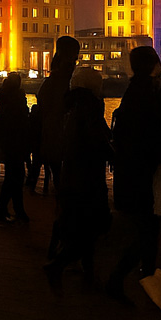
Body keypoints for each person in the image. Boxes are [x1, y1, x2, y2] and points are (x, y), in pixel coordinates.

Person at [44, 67, 112, 296]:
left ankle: (87, 272)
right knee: (90, 229)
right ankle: (58, 265)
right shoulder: (90, 106)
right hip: (87, 177)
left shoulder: (70, 105)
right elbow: (95, 139)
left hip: (72, 174)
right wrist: (113, 153)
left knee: (84, 227)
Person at [106, 46, 161, 308]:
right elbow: (150, 137)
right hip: (141, 174)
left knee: (145, 230)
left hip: (131, 172)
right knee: (145, 231)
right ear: (151, 66)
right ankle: (121, 278)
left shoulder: (133, 93)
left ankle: (146, 275)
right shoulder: (147, 96)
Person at [35, 35, 79, 197]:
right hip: (60, 138)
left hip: (53, 137)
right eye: (73, 59)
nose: (74, 64)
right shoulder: (63, 83)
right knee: (63, 181)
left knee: (59, 177)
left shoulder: (52, 83)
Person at [0, 73, 30, 223]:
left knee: (13, 177)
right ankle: (3, 210)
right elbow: (20, 121)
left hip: (9, 143)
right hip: (16, 142)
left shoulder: (4, 99)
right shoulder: (16, 100)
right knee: (16, 177)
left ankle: (14, 209)